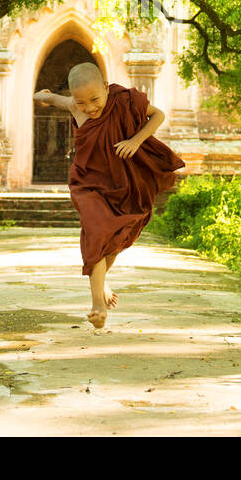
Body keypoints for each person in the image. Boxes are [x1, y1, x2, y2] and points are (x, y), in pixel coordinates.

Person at [34, 62, 185, 329]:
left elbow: (158, 115)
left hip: (123, 184)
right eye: (82, 103)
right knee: (96, 232)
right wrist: (43, 97)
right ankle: (97, 306)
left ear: (106, 87)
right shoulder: (75, 106)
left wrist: (135, 141)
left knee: (114, 238)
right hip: (89, 185)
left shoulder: (124, 101)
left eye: (95, 99)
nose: (90, 108)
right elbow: (56, 99)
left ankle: (102, 284)